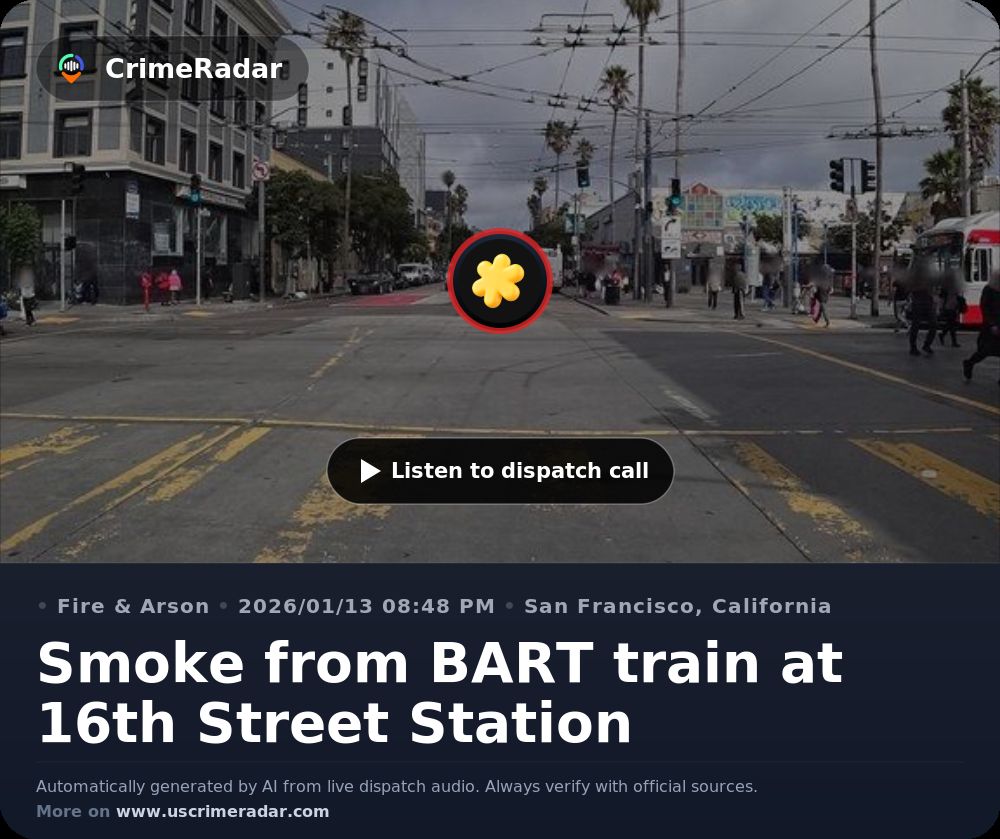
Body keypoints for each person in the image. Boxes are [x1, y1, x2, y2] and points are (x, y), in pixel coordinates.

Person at [962, 268, 1000, 383]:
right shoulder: (989, 289)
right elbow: (985, 307)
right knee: (985, 351)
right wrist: (992, 324)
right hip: (991, 326)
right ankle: (969, 363)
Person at [908, 258, 938, 356]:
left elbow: (933, 289)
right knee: (916, 325)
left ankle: (926, 345)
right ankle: (913, 347)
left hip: (928, 301)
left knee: (933, 324)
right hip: (918, 301)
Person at [937, 267, 963, 348]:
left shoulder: (945, 285)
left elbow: (942, 297)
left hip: (949, 306)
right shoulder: (952, 285)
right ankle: (952, 341)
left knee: (951, 324)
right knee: (952, 324)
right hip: (951, 306)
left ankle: (944, 335)